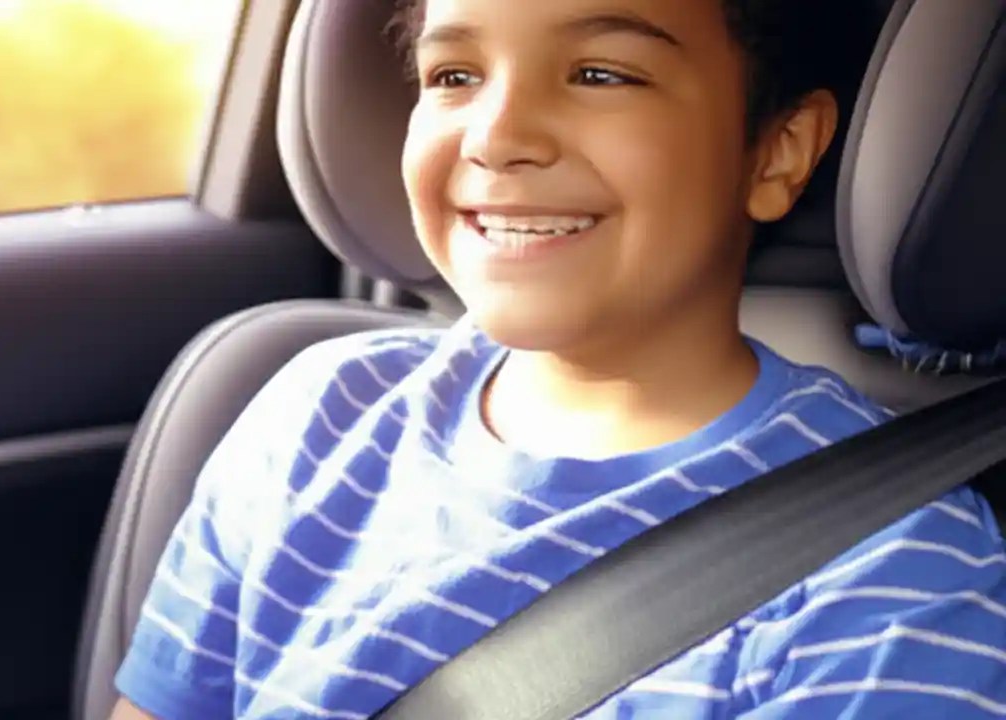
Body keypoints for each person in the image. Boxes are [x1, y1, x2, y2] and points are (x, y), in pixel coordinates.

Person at [112, 0, 1006, 717]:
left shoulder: (895, 574)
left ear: (779, 152)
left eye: (599, 73)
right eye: (453, 74)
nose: (498, 138)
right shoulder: (313, 418)